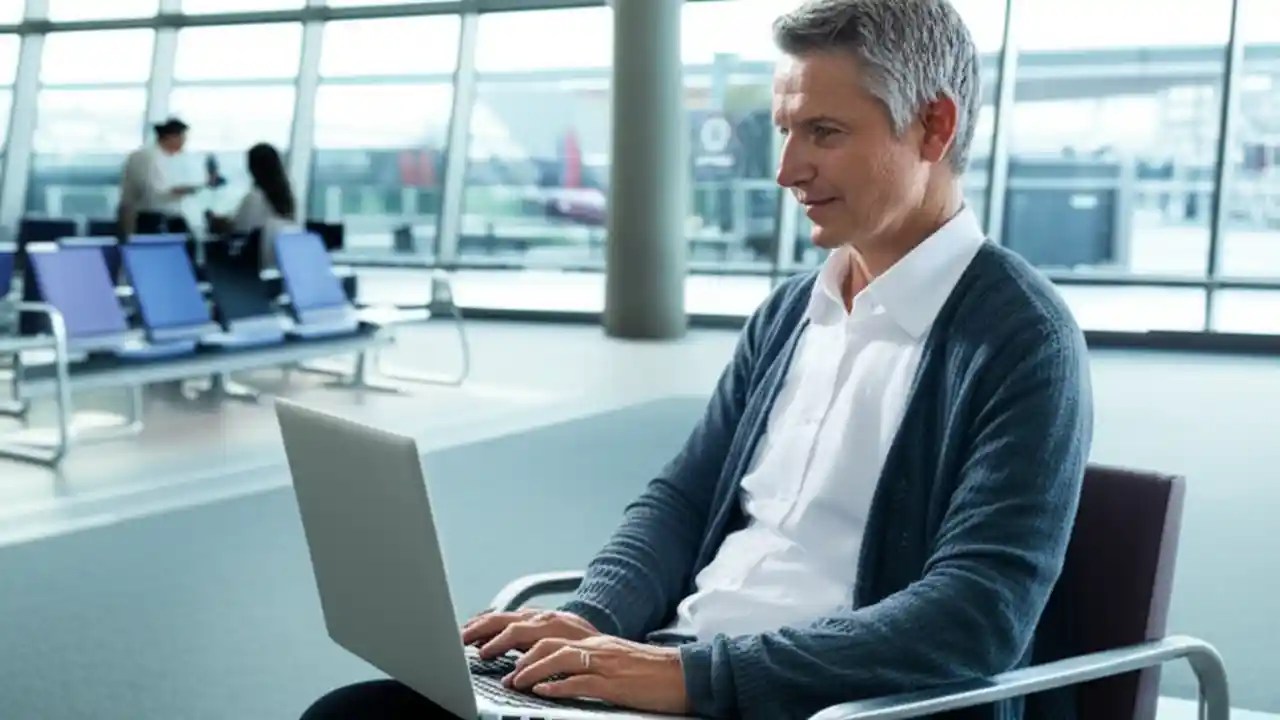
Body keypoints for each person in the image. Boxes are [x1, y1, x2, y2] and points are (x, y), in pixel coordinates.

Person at [302, 1, 1093, 718]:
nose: (786, 171)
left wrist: (691, 679)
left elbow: (976, 614)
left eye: (824, 132)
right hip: (681, 673)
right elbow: (681, 502)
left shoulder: (1022, 339)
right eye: (785, 130)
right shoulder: (793, 311)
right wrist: (593, 619)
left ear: (933, 126)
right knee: (356, 715)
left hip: (810, 703)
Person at [206, 142, 301, 269]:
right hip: (276, 260)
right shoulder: (287, 197)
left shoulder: (255, 197)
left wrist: (217, 222)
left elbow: (239, 228)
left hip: (255, 261)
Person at [118, 117, 200, 236]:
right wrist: (177, 191)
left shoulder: (169, 159)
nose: (184, 143)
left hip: (169, 216)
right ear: (170, 137)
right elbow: (150, 191)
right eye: (182, 139)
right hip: (149, 217)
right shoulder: (146, 157)